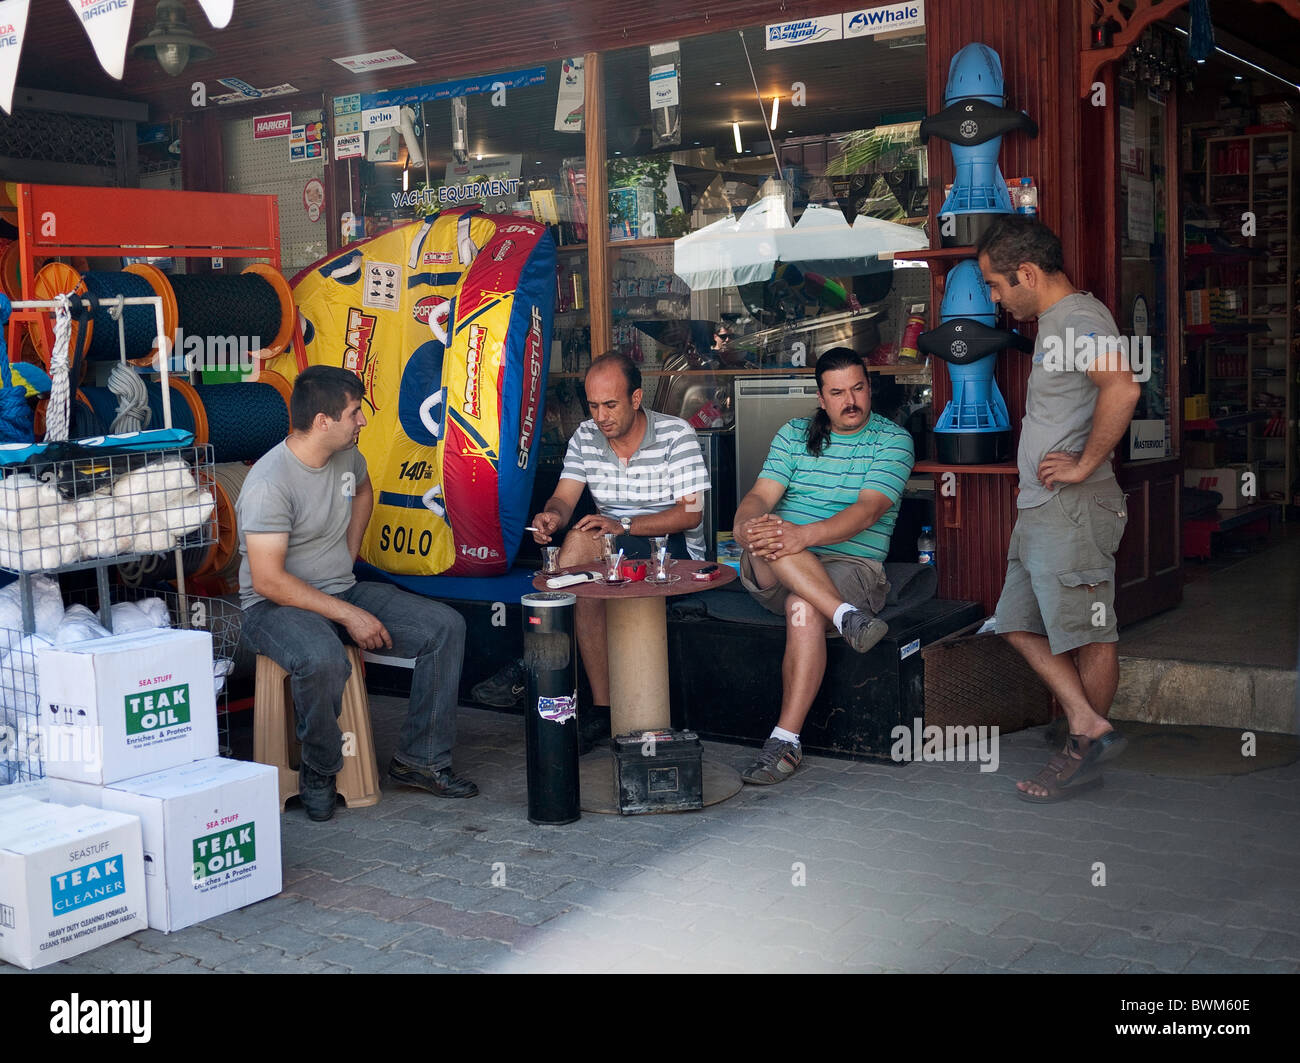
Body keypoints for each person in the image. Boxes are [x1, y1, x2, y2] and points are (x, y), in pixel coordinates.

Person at [237, 365, 476, 822]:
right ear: (323, 422)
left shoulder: (348, 456)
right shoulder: (270, 482)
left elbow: (363, 493)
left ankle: (421, 761)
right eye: (354, 413)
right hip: (273, 607)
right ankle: (320, 768)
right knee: (323, 660)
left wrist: (347, 556)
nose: (362, 421)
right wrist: (348, 615)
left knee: (445, 627)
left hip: (340, 588)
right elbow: (268, 580)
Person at [975, 215, 1141, 803]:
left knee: (1093, 633)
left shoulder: (1077, 319)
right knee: (1016, 622)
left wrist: (1081, 463)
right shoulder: (1056, 322)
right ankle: (1088, 724)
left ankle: (1084, 757)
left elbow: (1122, 387)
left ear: (1026, 272)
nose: (995, 298)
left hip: (1073, 505)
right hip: (1043, 507)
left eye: (996, 285)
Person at [731, 347, 914, 784]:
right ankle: (846, 617)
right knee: (768, 528)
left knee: (802, 606)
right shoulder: (794, 434)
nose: (850, 401)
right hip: (779, 561)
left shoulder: (893, 440)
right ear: (821, 397)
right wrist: (743, 523)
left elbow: (867, 513)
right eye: (837, 392)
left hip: (852, 565)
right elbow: (760, 496)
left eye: (858, 389)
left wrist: (802, 535)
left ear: (870, 389)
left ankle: (785, 741)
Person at [526, 351, 711, 746]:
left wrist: (623, 524)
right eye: (593, 405)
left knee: (580, 550)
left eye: (610, 405)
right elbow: (564, 498)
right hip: (611, 544)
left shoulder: (676, 434)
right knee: (578, 548)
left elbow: (690, 515)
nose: (600, 416)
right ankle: (598, 704)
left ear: (636, 398)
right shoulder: (585, 437)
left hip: (672, 551)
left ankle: (540, 668)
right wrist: (551, 518)